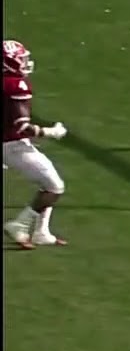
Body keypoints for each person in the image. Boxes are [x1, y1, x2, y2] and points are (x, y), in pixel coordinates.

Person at [3, 39, 69, 248]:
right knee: (54, 187)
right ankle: (20, 225)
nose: (24, 62)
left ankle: (42, 232)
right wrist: (51, 132)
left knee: (46, 181)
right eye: (20, 59)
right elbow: (23, 126)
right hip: (12, 145)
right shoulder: (16, 84)